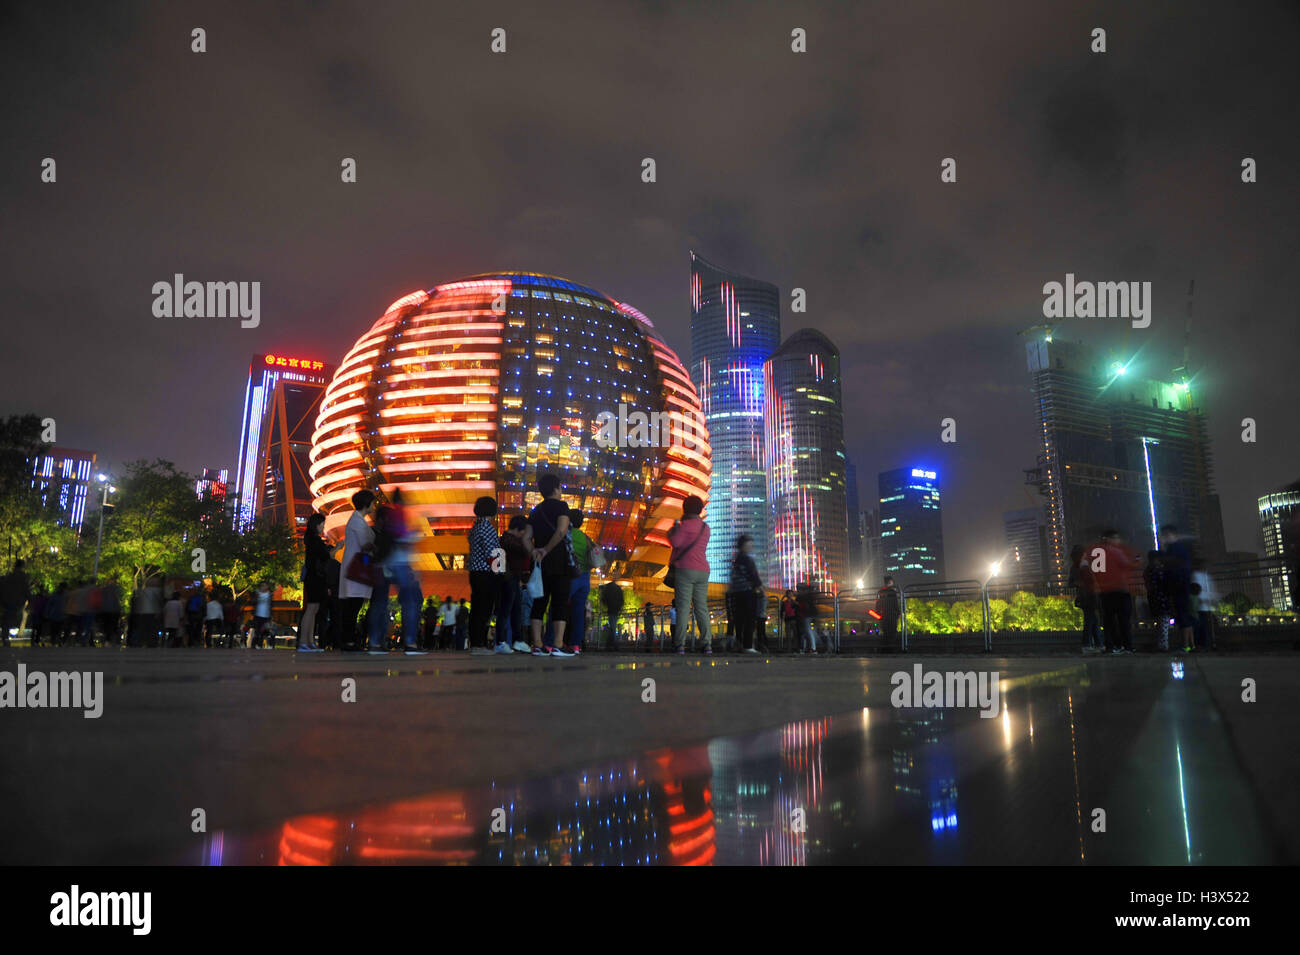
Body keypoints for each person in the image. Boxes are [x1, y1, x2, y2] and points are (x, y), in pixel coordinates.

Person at [527, 474, 578, 657]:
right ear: (556, 488)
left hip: (540, 564)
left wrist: (535, 552)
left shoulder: (536, 510)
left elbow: (526, 538)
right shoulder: (561, 506)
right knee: (560, 603)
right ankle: (557, 644)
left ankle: (538, 645)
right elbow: (562, 530)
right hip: (559, 562)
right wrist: (547, 550)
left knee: (539, 603)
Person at [383, 488, 426, 654]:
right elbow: (400, 540)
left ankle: (409, 641)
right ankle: (410, 642)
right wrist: (414, 535)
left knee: (409, 600)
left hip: (396, 563)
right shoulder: (399, 513)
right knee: (412, 601)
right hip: (400, 563)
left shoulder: (395, 514)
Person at [668, 494, 711, 655]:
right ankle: (707, 644)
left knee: (683, 608)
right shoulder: (705, 528)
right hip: (703, 570)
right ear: (700, 509)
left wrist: (673, 530)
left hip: (685, 569)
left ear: (685, 508)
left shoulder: (684, 525)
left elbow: (676, 542)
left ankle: (680, 644)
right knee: (701, 608)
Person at [338, 489, 378, 652]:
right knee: (353, 606)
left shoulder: (359, 520)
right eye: (373, 503)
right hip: (357, 568)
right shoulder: (357, 522)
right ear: (366, 504)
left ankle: (349, 640)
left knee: (354, 605)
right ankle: (348, 641)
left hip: (357, 567)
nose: (374, 505)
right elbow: (366, 545)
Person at [1093, 530, 1139, 654]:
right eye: (1116, 538)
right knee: (1124, 620)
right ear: (1109, 539)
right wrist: (1136, 561)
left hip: (1105, 592)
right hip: (1120, 590)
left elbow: (1096, 572)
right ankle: (1127, 646)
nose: (1118, 541)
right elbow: (1127, 565)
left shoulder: (1098, 554)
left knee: (1108, 621)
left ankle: (1111, 646)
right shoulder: (1117, 552)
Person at [467, 496, 503, 652]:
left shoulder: (476, 526)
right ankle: (479, 644)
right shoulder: (487, 528)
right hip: (485, 573)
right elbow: (492, 553)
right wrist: (500, 571)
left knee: (477, 608)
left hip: (475, 572)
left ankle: (475, 643)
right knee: (484, 608)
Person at [498, 514, 533, 653]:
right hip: (508, 578)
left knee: (515, 610)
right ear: (519, 529)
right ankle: (501, 641)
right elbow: (527, 551)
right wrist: (527, 539)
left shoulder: (508, 539)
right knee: (506, 610)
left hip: (513, 578)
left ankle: (517, 640)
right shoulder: (508, 540)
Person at [567, 510, 600, 653]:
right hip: (585, 578)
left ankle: (553, 641)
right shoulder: (585, 538)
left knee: (559, 607)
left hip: (571, 575)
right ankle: (575, 645)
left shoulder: (567, 535)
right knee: (579, 612)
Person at [1160, 525, 1196, 653]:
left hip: (1178, 586)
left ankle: (1185, 646)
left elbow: (1170, 565)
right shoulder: (1180, 548)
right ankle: (1190, 645)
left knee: (1182, 616)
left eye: (1166, 535)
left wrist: (1164, 554)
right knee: (1185, 615)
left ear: (1173, 535)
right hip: (1182, 585)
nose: (1164, 538)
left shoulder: (1175, 549)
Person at [298, 513, 329, 652]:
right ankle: (304, 642)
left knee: (313, 609)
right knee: (311, 609)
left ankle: (309, 642)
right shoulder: (315, 541)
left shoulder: (311, 540)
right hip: (315, 577)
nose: (323, 526)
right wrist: (338, 547)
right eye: (322, 524)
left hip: (314, 577)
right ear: (316, 525)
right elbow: (326, 556)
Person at [728, 535, 764, 653]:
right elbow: (754, 576)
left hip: (737, 593)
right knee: (749, 619)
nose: (751, 547)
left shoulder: (736, 559)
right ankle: (748, 646)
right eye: (750, 545)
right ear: (743, 545)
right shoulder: (747, 559)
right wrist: (760, 588)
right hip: (748, 592)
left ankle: (739, 644)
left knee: (739, 619)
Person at [1068, 544, 1102, 653]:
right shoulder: (1084, 566)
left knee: (1093, 620)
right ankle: (1088, 644)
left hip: (1085, 597)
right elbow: (1088, 581)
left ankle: (1097, 644)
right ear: (1082, 555)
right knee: (1090, 621)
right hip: (1088, 597)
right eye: (1084, 553)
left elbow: (1071, 583)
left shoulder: (1075, 567)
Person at [1143, 550, 1172, 652]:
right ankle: (1164, 645)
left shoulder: (1148, 570)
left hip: (1153, 599)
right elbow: (1164, 584)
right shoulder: (1158, 569)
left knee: (1159, 623)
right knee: (1163, 622)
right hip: (1161, 599)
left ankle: (1161, 644)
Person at [0, 559, 31, 647]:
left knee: (6, 621)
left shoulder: (9, 575)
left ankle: (5, 638)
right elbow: (26, 589)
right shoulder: (22, 576)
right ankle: (5, 638)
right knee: (9, 620)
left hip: (7, 601)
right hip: (16, 601)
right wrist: (29, 600)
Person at [1191, 559, 1218, 650]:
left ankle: (1202, 644)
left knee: (1202, 625)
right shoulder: (1203, 576)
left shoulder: (1198, 575)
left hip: (1202, 604)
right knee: (1203, 625)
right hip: (1203, 604)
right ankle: (1204, 644)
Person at [876, 577, 902, 651]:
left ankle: (885, 649)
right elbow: (895, 604)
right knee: (892, 632)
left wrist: (879, 615)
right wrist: (898, 613)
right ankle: (891, 649)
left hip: (884, 616)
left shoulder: (880, 592)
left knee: (885, 632)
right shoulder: (892, 592)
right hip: (892, 615)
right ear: (890, 582)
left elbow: (878, 605)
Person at [796, 581, 817, 654]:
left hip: (807, 615)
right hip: (809, 614)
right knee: (807, 631)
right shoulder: (808, 595)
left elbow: (802, 605)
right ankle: (807, 648)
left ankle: (812, 648)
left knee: (808, 631)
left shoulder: (803, 596)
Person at [252, 581, 274, 648]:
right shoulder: (257, 593)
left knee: (267, 630)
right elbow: (252, 602)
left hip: (266, 615)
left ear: (267, 587)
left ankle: (267, 644)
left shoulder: (270, 594)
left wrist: (271, 615)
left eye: (264, 585)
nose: (263, 587)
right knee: (257, 630)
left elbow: (271, 605)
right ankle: (255, 644)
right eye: (262, 586)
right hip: (258, 615)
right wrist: (256, 598)